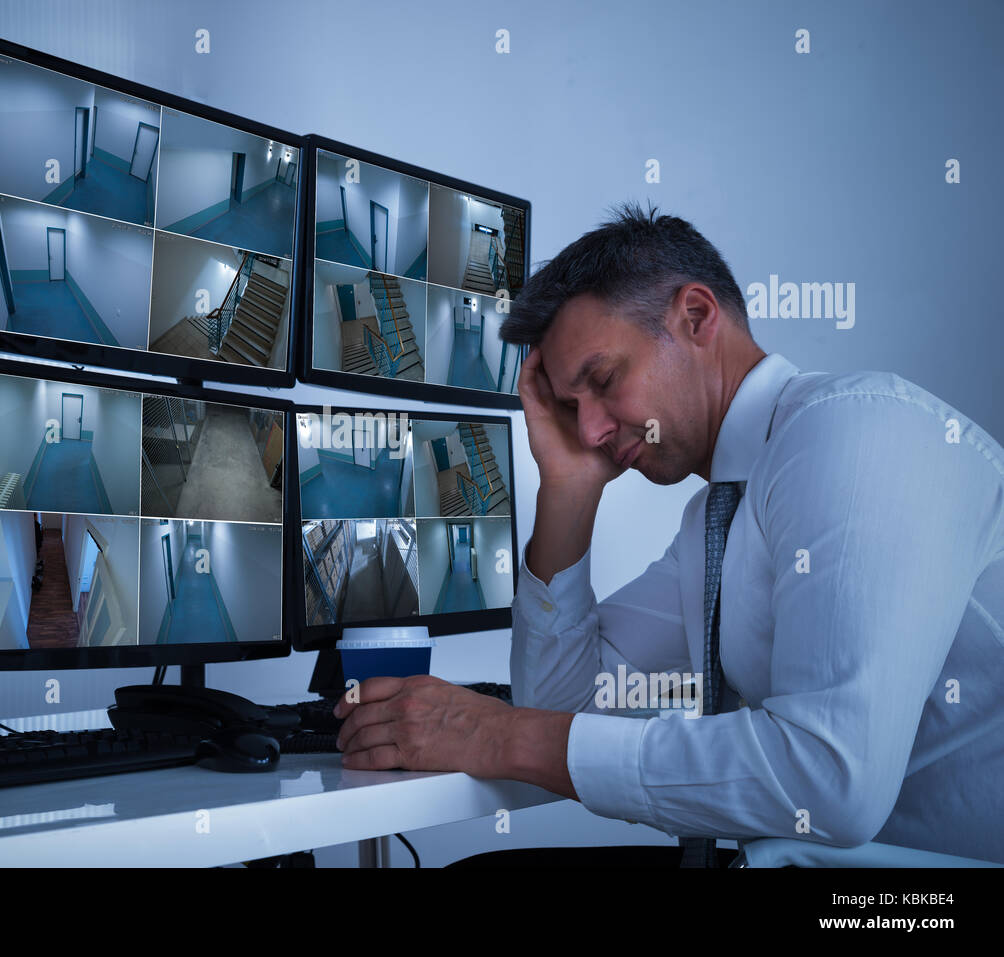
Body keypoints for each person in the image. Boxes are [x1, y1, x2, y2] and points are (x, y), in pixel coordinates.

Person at [333, 202, 1004, 865]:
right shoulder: (715, 523)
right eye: (570, 407)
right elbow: (566, 707)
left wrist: (500, 735)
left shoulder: (857, 433)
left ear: (696, 317)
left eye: (602, 379)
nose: (590, 428)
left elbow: (831, 782)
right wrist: (568, 488)